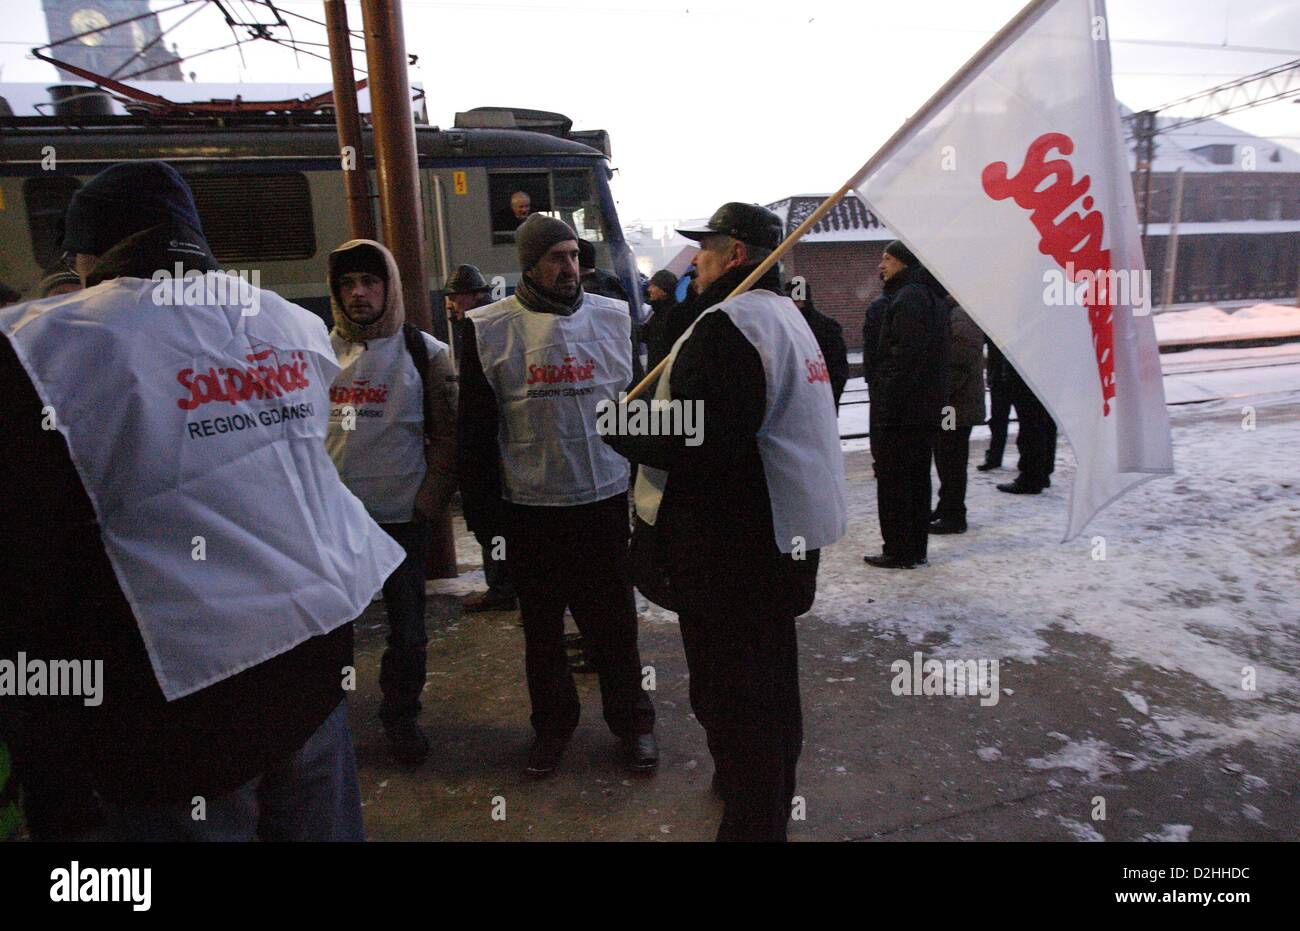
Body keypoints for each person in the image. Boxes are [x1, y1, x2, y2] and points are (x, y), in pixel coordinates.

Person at [0, 161, 403, 841]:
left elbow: (33, 574)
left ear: (90, 251)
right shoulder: (290, 324)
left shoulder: (46, 349)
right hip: (311, 674)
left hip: (173, 718)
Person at [605, 202, 847, 842]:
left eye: (705, 248)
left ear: (735, 254)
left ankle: (753, 821)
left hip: (731, 552)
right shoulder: (788, 319)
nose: (696, 260)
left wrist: (621, 426)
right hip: (780, 537)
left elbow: (699, 438)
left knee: (737, 700)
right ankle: (754, 795)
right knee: (770, 688)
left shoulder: (729, 324)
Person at [458, 213, 657, 777]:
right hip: (530, 509)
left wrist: (647, 493)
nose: (570, 267)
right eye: (556, 258)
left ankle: (633, 724)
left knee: (615, 626)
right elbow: (475, 431)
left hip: (601, 502)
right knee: (542, 635)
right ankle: (552, 728)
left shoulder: (615, 320)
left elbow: (638, 413)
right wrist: (485, 518)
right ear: (529, 264)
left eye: (574, 256)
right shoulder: (489, 330)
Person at [324, 239, 458, 766]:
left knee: (408, 631)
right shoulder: (314, 352)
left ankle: (401, 717)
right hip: (334, 523)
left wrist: (428, 503)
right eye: (348, 284)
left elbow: (450, 436)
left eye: (369, 282)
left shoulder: (426, 353)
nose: (358, 293)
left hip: (401, 520)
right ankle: (326, 724)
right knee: (329, 632)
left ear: (389, 288)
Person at [864, 240, 950, 570]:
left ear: (903, 262)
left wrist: (885, 404)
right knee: (917, 478)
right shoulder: (929, 295)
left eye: (887, 259)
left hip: (902, 412)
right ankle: (915, 547)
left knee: (895, 481)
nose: (881, 265)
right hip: (923, 409)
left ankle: (899, 548)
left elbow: (901, 360)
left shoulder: (908, 298)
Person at [443, 264, 518, 613]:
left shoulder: (479, 326)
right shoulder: (490, 322)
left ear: (471, 296)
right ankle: (504, 585)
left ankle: (503, 587)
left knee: (491, 518)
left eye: (455, 297)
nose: (451, 304)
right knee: (494, 518)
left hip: (487, 444)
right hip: (494, 441)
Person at [930, 297, 986, 534]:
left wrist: (939, 393)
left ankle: (954, 513)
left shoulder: (961, 316)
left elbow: (958, 362)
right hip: (953, 404)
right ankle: (947, 506)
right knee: (945, 456)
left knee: (951, 457)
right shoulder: (955, 313)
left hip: (955, 406)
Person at [784, 278, 849, 410]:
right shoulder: (827, 326)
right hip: (820, 404)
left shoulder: (786, 326)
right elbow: (839, 370)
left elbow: (837, 370)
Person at [998, 363, 1057, 494]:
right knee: (1043, 421)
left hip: (1027, 371)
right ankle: (1042, 472)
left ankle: (1031, 477)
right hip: (1044, 372)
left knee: (1031, 425)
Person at [978, 339, 1012, 471]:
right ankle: (994, 456)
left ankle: (994, 456)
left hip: (952, 403)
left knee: (949, 431)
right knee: (999, 419)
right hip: (1001, 377)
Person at [642, 269, 678, 371]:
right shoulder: (658, 312)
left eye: (653, 286)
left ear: (663, 291)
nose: (649, 289)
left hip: (662, 373)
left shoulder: (672, 315)